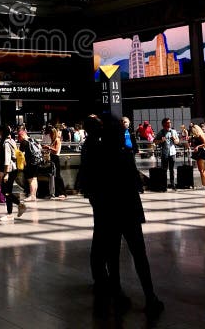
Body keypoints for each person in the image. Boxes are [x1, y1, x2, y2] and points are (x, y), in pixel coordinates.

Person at [79, 114, 163, 318]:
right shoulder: (124, 154)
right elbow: (135, 182)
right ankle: (150, 295)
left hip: (108, 210)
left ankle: (116, 293)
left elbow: (90, 183)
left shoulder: (97, 154)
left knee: (112, 253)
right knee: (139, 253)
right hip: (129, 209)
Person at [0, 126, 26, 222]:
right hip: (14, 169)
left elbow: (7, 159)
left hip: (9, 170)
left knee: (5, 191)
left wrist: (6, 173)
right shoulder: (12, 140)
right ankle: (13, 211)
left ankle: (18, 206)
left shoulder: (5, 143)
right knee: (7, 191)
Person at [156, 118, 179, 190]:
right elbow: (155, 141)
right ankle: (164, 185)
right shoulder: (161, 132)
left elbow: (177, 142)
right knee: (164, 170)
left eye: (170, 122)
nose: (169, 124)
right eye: (167, 123)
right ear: (163, 124)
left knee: (172, 169)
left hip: (172, 153)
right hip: (164, 153)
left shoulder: (173, 131)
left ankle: (173, 185)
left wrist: (174, 139)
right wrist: (160, 140)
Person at [17, 127, 39, 202]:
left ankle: (32, 196)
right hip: (36, 161)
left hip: (29, 163)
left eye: (19, 136)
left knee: (31, 180)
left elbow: (20, 153)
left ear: (21, 135)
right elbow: (40, 147)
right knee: (35, 179)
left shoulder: (24, 142)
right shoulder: (32, 139)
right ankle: (34, 195)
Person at [45, 126, 66, 199]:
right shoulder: (53, 140)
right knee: (54, 176)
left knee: (58, 176)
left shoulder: (57, 140)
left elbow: (56, 150)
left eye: (51, 134)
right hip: (53, 158)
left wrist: (49, 148)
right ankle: (57, 192)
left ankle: (62, 192)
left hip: (56, 158)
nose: (50, 135)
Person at [190, 124, 205, 189]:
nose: (191, 131)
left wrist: (198, 146)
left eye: (192, 130)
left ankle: (204, 185)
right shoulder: (198, 136)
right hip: (201, 153)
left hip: (201, 153)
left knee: (201, 170)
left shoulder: (201, 135)